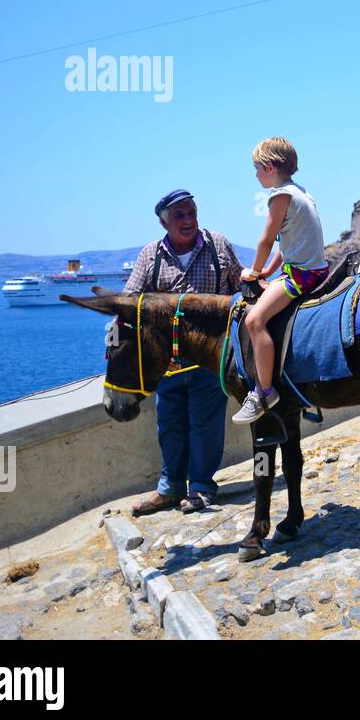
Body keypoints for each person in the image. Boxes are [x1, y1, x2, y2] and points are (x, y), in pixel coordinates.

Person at [123, 190, 244, 515]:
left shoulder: (217, 245)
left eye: (192, 213)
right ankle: (170, 488)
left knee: (205, 424)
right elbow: (130, 302)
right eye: (180, 216)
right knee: (169, 424)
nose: (188, 221)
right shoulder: (151, 255)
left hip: (209, 360)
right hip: (167, 365)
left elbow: (241, 289)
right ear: (164, 222)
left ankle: (202, 488)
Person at [232, 137, 330, 423]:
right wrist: (265, 273)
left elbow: (265, 240)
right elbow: (283, 246)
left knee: (254, 321)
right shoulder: (301, 193)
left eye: (257, 168)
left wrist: (252, 271)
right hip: (315, 269)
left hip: (301, 275)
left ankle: (264, 392)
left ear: (271, 167)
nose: (255, 175)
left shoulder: (279, 196)